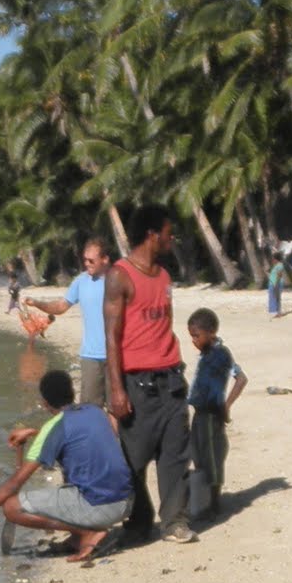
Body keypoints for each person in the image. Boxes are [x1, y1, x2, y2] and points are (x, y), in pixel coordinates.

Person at [0, 370, 132, 563]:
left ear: (45, 403)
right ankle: (78, 535)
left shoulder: (54, 428)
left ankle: (86, 533)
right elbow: (77, 436)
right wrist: (35, 433)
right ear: (71, 393)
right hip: (125, 502)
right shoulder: (94, 411)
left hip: (100, 507)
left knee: (12, 507)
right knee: (75, 472)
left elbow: (15, 483)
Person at [103, 204, 193, 545]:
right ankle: (138, 523)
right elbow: (112, 336)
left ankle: (174, 522)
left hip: (171, 378)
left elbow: (163, 324)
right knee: (133, 458)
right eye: (168, 232)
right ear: (152, 234)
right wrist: (117, 390)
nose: (172, 238)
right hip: (138, 383)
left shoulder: (165, 276)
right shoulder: (119, 275)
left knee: (175, 455)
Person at [22, 239, 113, 405]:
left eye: (91, 260)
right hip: (91, 356)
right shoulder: (81, 281)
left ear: (105, 259)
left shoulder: (118, 279)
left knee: (118, 408)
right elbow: (61, 306)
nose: (86, 264)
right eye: (85, 260)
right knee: (90, 408)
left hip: (117, 354)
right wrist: (37, 303)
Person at [186, 308, 247, 521]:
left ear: (211, 332)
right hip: (200, 414)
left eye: (196, 336)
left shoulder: (221, 354)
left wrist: (226, 406)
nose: (193, 341)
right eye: (192, 336)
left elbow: (241, 379)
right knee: (198, 453)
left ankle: (214, 503)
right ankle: (205, 500)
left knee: (212, 457)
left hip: (212, 415)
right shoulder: (207, 353)